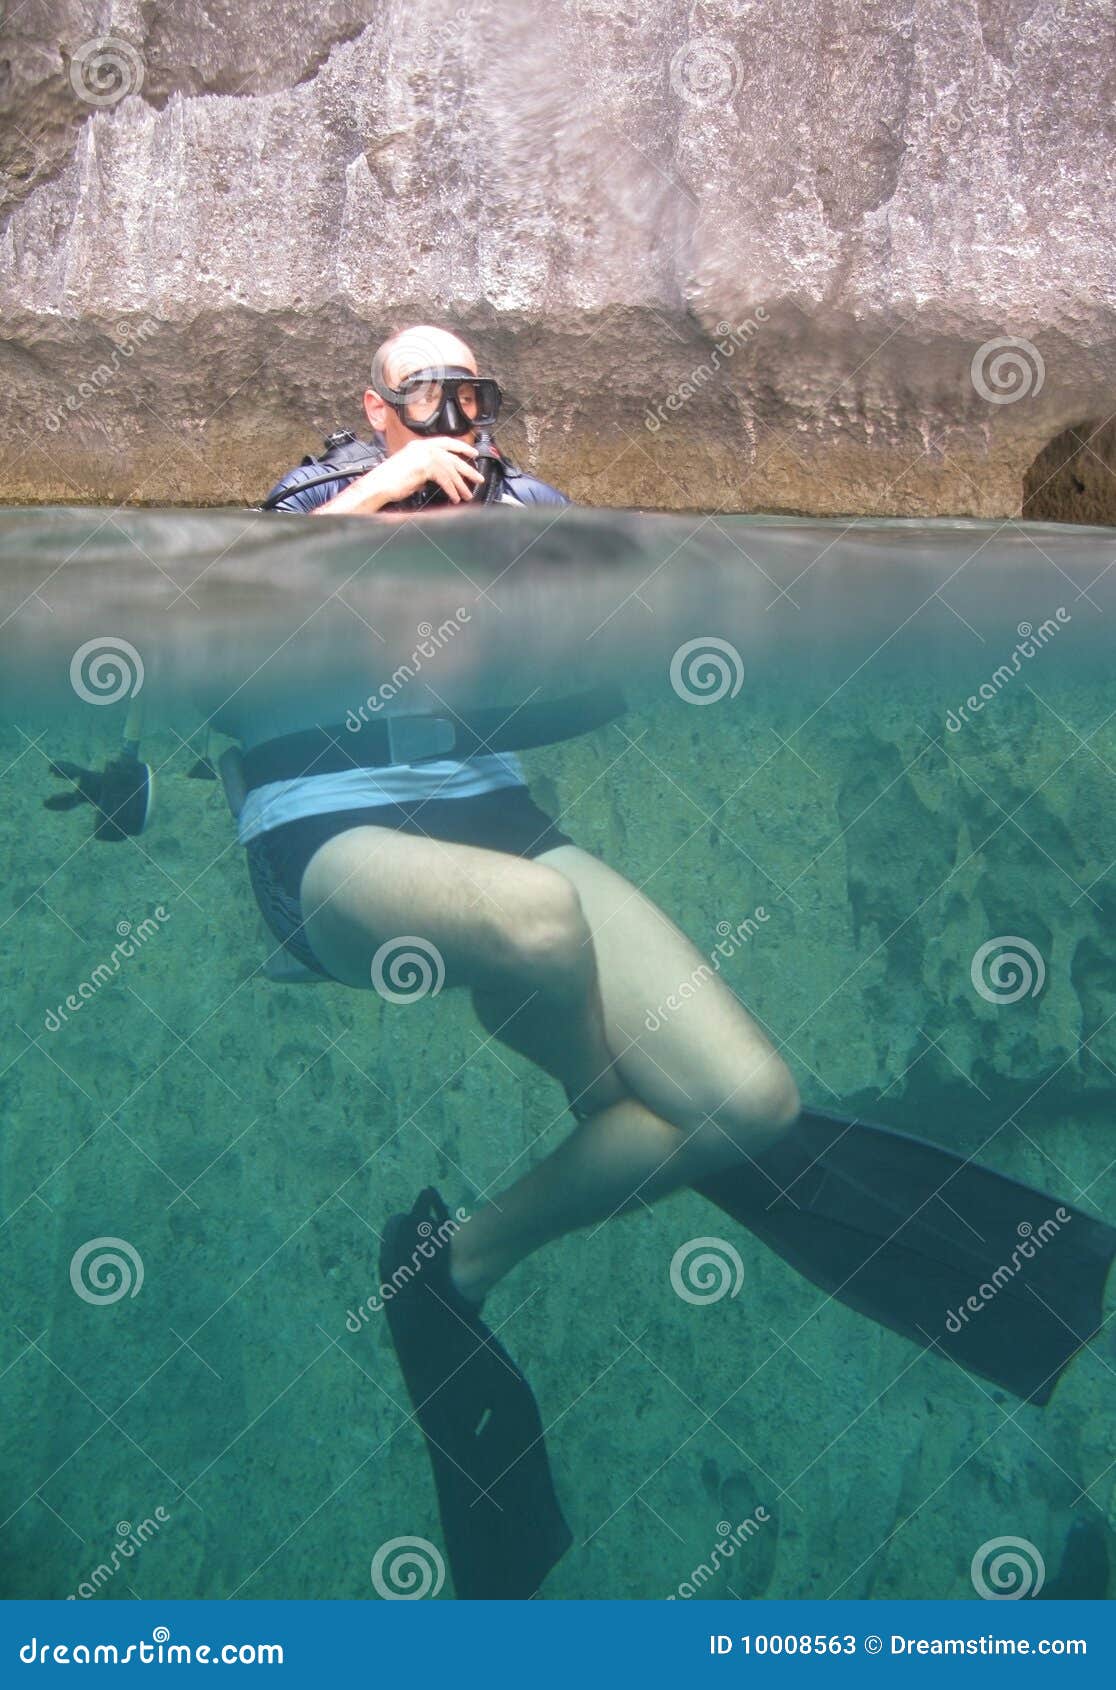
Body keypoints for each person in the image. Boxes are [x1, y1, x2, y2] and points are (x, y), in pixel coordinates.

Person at [44, 323, 1116, 1602]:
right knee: (547, 935)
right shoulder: (304, 500)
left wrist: (540, 560)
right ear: (375, 410)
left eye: (473, 394)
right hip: (322, 831)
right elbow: (191, 616)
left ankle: (459, 1266)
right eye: (426, 396)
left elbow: (628, 609)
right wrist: (374, 510)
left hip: (495, 817)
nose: (454, 415)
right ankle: (620, 1107)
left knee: (750, 1102)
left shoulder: (520, 503)